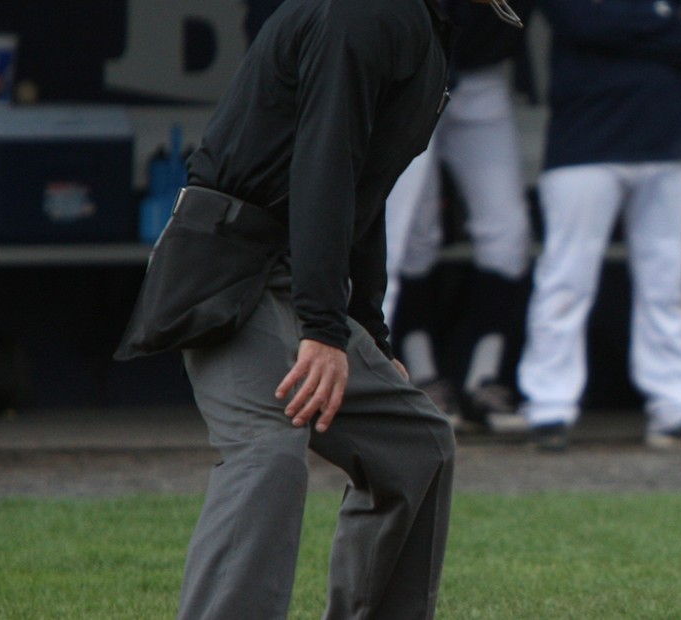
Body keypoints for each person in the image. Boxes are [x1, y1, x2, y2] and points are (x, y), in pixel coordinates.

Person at [136, 0, 518, 615]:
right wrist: (324, 328)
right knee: (268, 452)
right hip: (232, 267)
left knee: (416, 446)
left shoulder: (425, 22)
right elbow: (322, 166)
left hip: (297, 274)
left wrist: (369, 331)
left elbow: (363, 191)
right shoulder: (364, 11)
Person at [516, 0, 681, 452]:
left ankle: (676, 406)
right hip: (585, 141)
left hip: (670, 138)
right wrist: (664, 19)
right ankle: (549, 406)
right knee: (566, 278)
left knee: (666, 284)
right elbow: (582, 21)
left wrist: (628, 26)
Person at [380, 0, 535, 431]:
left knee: (507, 233)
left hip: (482, 71)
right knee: (411, 232)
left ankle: (485, 379)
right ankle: (419, 376)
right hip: (410, 69)